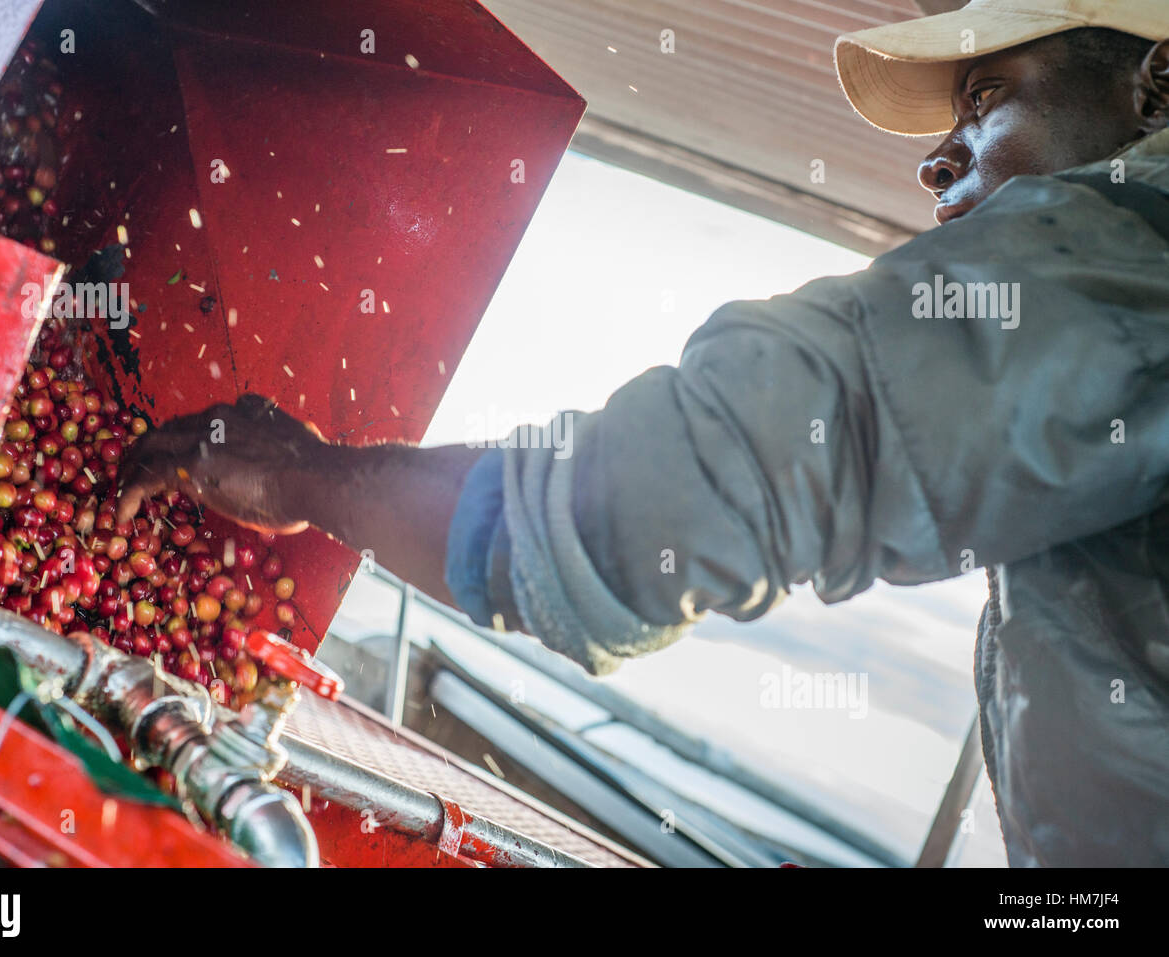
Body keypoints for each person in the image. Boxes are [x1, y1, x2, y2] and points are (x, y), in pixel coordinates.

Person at [118, 0, 1169, 866]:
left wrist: (310, 478)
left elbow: (706, 475)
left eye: (984, 100)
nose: (936, 162)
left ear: (1157, 87)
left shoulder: (1140, 250)